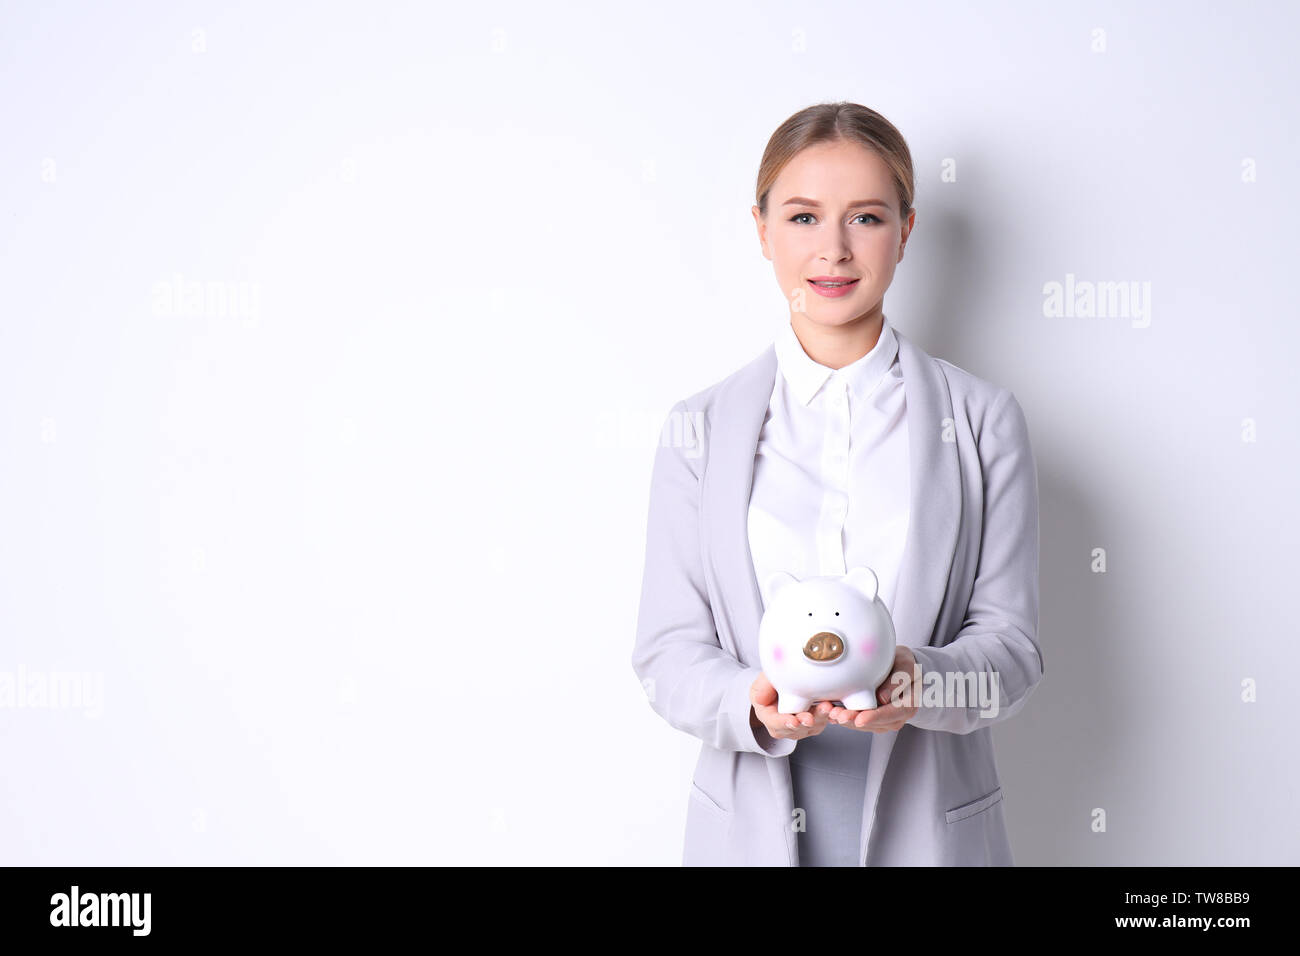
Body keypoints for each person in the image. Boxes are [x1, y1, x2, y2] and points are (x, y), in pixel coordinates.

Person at [631, 102, 1044, 866]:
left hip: (934, 836)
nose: (833, 251)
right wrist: (748, 704)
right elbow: (667, 652)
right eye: (802, 217)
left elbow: (1013, 653)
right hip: (747, 835)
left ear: (906, 230)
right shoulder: (698, 430)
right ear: (760, 230)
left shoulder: (983, 420)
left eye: (865, 218)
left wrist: (925, 682)